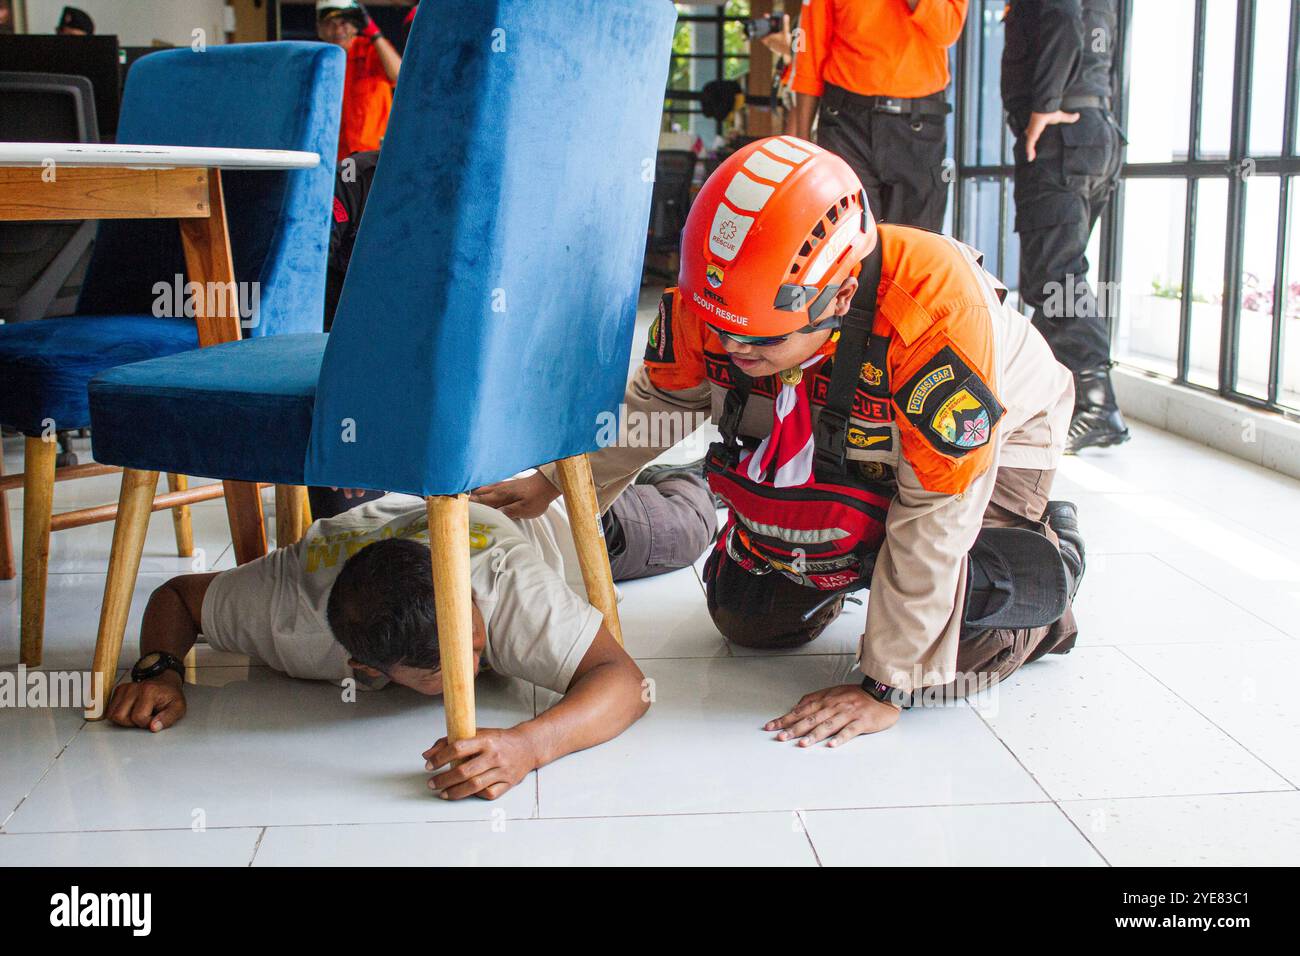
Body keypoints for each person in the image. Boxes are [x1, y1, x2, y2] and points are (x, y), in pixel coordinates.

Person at [476, 136, 1084, 746]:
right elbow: (656, 406)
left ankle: (1043, 567)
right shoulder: (715, 299)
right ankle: (861, 562)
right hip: (840, 434)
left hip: (991, 452)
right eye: (721, 333)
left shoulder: (933, 316)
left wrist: (885, 685)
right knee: (749, 619)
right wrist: (551, 481)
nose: (734, 352)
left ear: (841, 297)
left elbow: (934, 509)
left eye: (762, 342)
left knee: (944, 661)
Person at [104, 495, 651, 801]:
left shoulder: (509, 590)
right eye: (448, 670)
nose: (475, 667)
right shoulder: (288, 611)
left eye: (477, 646)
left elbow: (628, 684)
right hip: (382, 519)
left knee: (679, 521)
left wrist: (528, 746)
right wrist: (161, 671)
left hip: (550, 513)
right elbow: (177, 595)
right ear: (366, 669)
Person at [1003, 0, 1129, 452]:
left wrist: (1045, 105)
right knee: (1057, 276)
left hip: (1061, 133)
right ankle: (1043, 400)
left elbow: (1061, 20)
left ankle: (1097, 405)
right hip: (1096, 130)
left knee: (1057, 277)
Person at [789, 0, 968, 231]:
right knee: (847, 244)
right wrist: (803, 146)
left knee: (916, 247)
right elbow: (809, 56)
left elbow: (946, 30)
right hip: (844, 122)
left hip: (918, 125)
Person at [317, 0, 401, 161]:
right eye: (330, 23)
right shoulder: (319, 59)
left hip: (373, 156)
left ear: (355, 26)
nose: (338, 30)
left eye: (344, 23)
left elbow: (398, 75)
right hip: (336, 155)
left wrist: (373, 31)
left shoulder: (372, 51)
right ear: (320, 28)